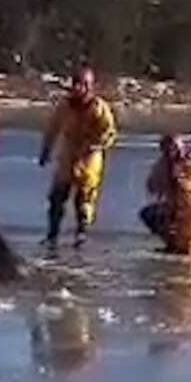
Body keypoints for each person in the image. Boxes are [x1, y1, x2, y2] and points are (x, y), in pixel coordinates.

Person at [39, 67, 118, 248]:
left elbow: (109, 133)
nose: (79, 88)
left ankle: (81, 232)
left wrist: (95, 145)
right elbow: (53, 129)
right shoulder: (65, 106)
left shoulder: (99, 108)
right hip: (68, 155)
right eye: (76, 84)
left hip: (88, 158)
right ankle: (52, 234)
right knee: (57, 196)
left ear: (90, 87)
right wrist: (46, 150)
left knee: (84, 199)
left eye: (84, 85)